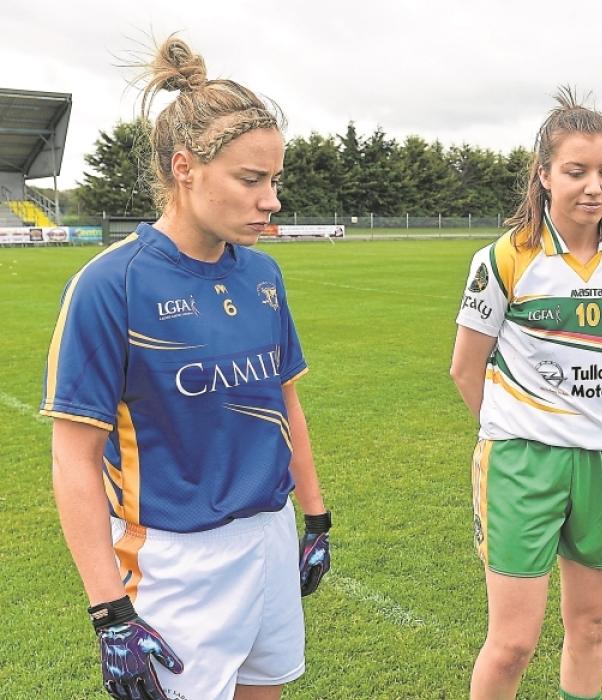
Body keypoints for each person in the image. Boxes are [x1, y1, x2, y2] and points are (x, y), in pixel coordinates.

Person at [42, 35, 331, 700]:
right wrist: (109, 612)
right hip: (175, 563)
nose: (271, 201)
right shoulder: (110, 285)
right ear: (185, 168)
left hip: (269, 537)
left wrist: (315, 519)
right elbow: (73, 460)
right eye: (251, 180)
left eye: (275, 180)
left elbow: (285, 404)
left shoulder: (262, 273)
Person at [450, 88, 602, 700]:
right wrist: (516, 430)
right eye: (575, 172)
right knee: (513, 642)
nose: (593, 186)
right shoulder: (505, 259)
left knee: (591, 626)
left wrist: (594, 424)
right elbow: (467, 370)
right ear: (543, 175)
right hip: (523, 463)